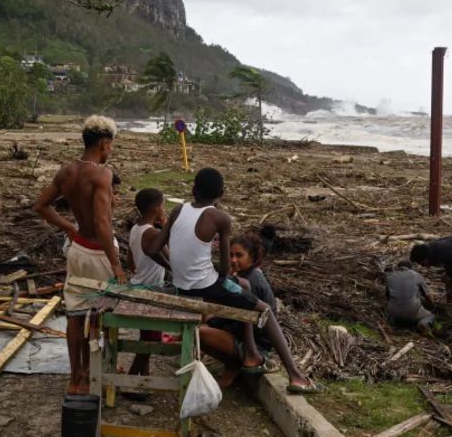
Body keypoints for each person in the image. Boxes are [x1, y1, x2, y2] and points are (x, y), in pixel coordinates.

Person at [148, 168, 322, 394]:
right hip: (208, 285)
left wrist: (175, 269)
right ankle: (296, 376)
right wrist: (220, 278)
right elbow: (225, 268)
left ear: (193, 189)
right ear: (221, 192)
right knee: (265, 309)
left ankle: (250, 353)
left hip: (182, 285)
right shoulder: (220, 218)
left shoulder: (178, 210)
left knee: (245, 289)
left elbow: (153, 249)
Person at [33, 115, 126, 395]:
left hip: (78, 249)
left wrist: (70, 228)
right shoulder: (101, 174)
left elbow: (40, 205)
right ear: (103, 143)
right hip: (99, 252)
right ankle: (100, 371)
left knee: (75, 314)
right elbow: (102, 223)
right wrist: (116, 263)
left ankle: (76, 378)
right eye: (110, 146)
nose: (110, 151)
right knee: (102, 313)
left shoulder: (67, 171)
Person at [199, 229, 281, 387]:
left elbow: (242, 322)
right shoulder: (243, 276)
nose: (233, 260)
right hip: (240, 334)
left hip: (256, 346)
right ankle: (232, 364)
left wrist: (212, 325)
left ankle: (234, 364)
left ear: (252, 257)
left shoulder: (252, 281)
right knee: (203, 320)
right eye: (230, 255)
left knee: (200, 333)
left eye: (239, 255)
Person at [123, 188, 170, 389]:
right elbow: (171, 258)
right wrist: (167, 226)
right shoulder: (153, 233)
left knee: (148, 337)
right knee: (151, 338)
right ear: (156, 207)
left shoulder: (136, 229)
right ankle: (134, 379)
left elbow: (130, 263)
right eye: (163, 205)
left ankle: (140, 376)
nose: (164, 208)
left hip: (137, 284)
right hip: (150, 290)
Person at [385, 260, 435, 335]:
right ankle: (423, 324)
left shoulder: (389, 276)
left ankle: (395, 324)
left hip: (393, 313)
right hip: (413, 311)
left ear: (398, 267)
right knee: (430, 315)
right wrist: (433, 305)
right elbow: (428, 296)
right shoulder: (416, 275)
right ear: (411, 268)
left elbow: (388, 296)